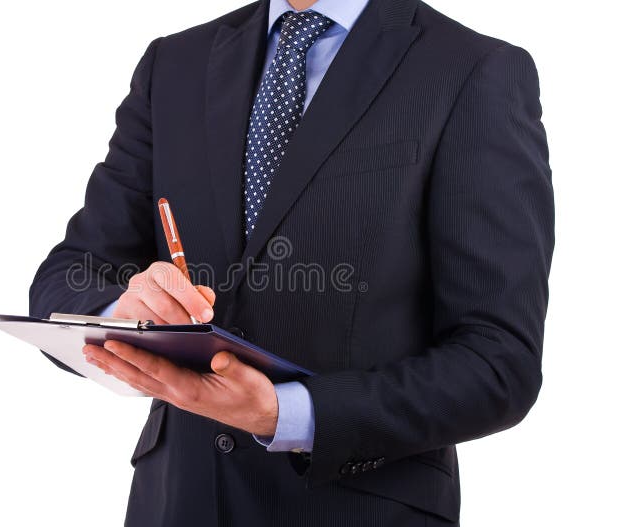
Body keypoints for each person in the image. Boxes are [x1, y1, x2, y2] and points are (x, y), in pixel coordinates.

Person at [29, 0, 554, 524]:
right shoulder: (175, 63)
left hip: (357, 509)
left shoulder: (473, 69)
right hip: (176, 502)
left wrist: (290, 412)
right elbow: (71, 271)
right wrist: (122, 309)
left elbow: (498, 362)